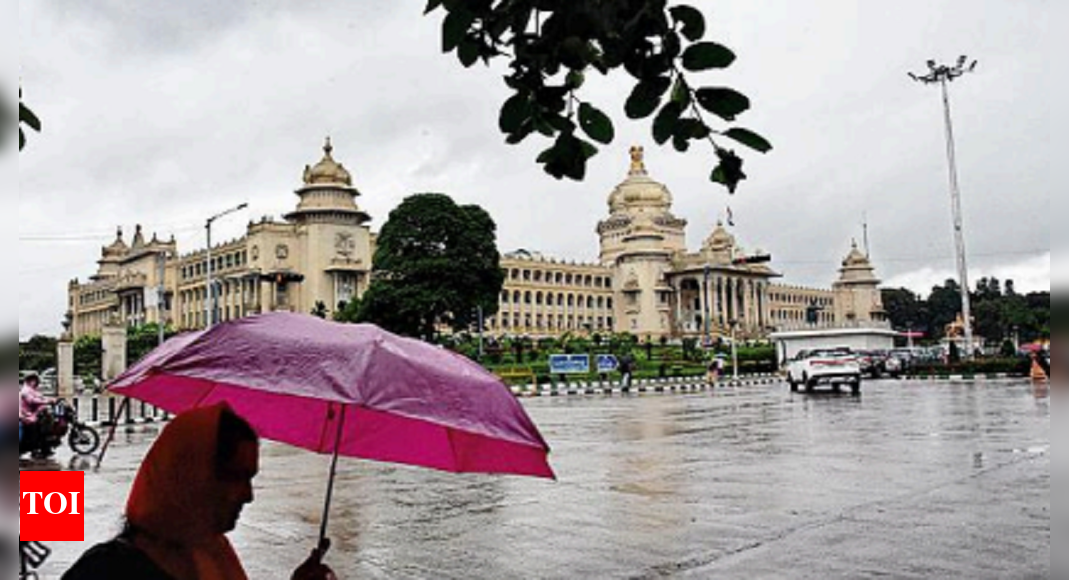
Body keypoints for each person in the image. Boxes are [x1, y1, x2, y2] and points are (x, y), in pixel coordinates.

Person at [62, 403, 335, 580]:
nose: (247, 495)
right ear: (189, 476)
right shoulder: (105, 573)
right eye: (233, 477)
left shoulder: (214, 553)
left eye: (249, 479)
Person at [19, 373, 55, 444]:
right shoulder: (25, 390)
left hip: (33, 412)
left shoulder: (33, 390)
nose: (35, 382)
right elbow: (32, 400)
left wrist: (50, 399)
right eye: (33, 380)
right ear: (29, 380)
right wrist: (46, 401)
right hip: (27, 413)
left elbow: (40, 397)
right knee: (37, 424)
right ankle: (36, 445)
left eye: (35, 380)